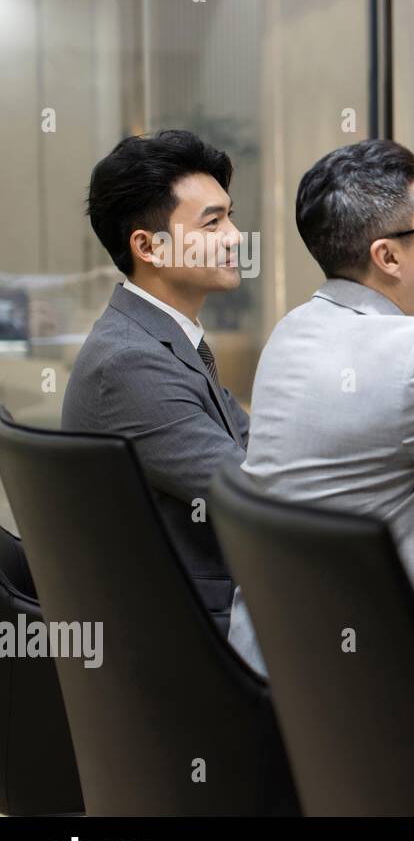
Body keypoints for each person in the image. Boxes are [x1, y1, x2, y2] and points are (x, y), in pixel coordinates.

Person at [229, 139, 414, 750]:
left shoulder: (294, 333)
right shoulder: (408, 354)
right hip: (383, 699)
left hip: (275, 680)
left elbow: (364, 494)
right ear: (388, 255)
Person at [64, 131, 248, 633]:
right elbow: (254, 490)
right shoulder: (129, 363)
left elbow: (257, 446)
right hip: (192, 630)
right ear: (149, 247)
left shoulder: (163, 339)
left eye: (230, 217)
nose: (235, 237)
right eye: (212, 223)